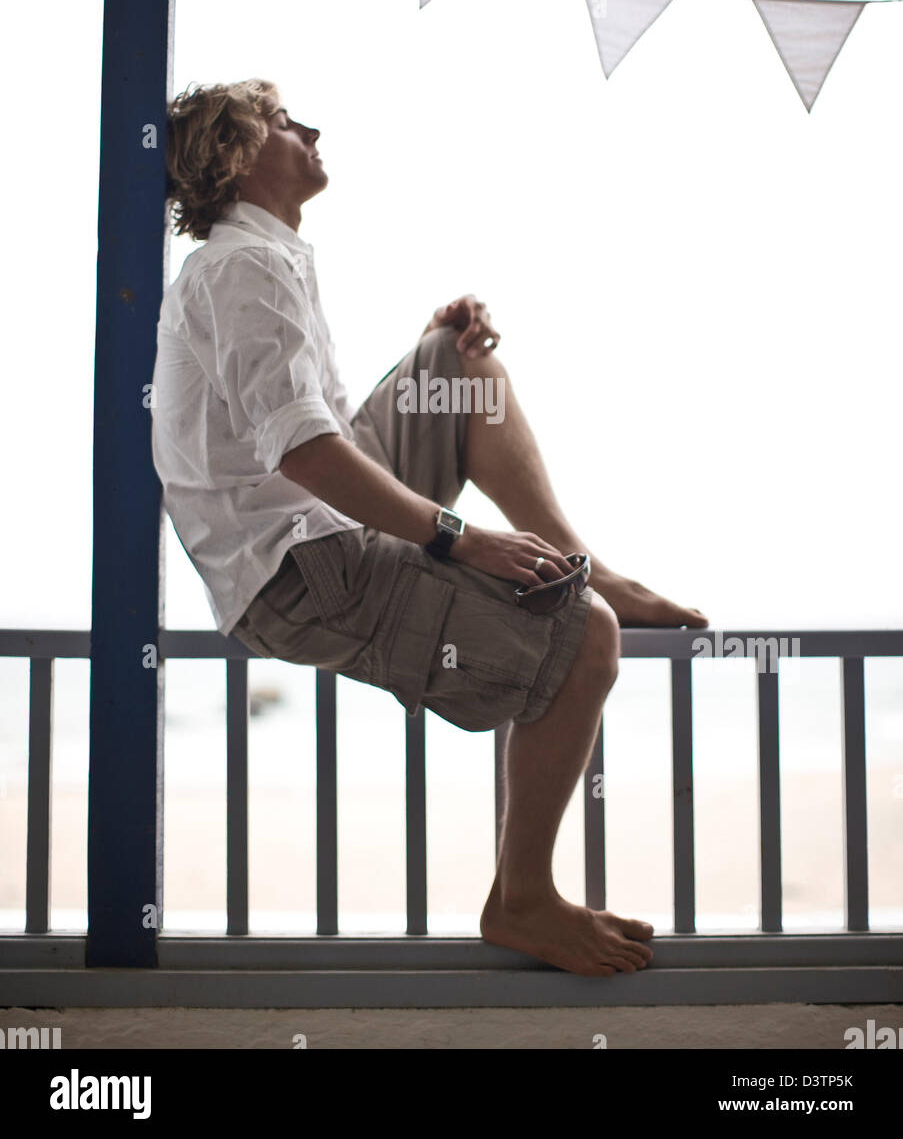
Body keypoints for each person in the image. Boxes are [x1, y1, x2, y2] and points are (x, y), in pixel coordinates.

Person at [152, 77, 708, 977]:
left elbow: (320, 433)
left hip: (313, 520)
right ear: (235, 155)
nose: (310, 128)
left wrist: (429, 353)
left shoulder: (264, 259)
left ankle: (587, 562)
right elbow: (307, 456)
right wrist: (462, 538)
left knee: (459, 365)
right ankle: (522, 898)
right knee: (585, 637)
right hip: (298, 566)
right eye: (284, 122)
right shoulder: (239, 269)